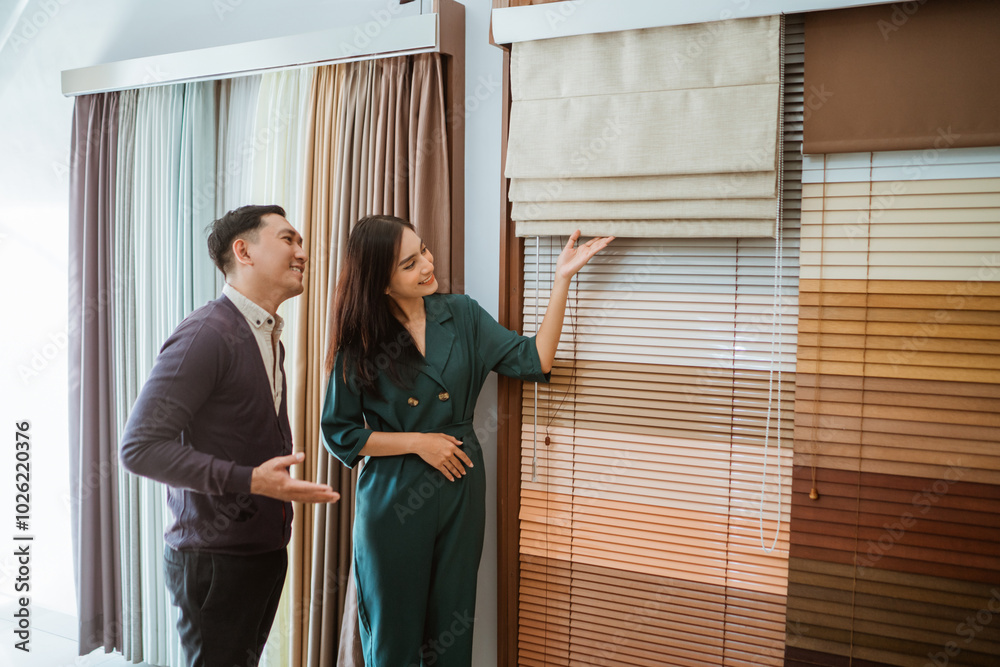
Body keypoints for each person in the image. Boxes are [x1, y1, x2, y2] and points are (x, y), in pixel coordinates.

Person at [321, 215, 612, 666]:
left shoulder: (461, 313)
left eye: (424, 251)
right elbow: (340, 432)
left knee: (451, 631)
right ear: (380, 282)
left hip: (459, 486)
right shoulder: (360, 340)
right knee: (392, 637)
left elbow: (535, 358)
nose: (426, 265)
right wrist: (419, 443)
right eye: (409, 263)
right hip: (392, 498)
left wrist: (561, 281)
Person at [119, 204, 340, 667]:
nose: (302, 252)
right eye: (288, 239)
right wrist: (252, 481)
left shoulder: (265, 334)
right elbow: (139, 449)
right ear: (244, 251)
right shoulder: (206, 334)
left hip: (261, 550)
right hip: (214, 560)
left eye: (301, 242)